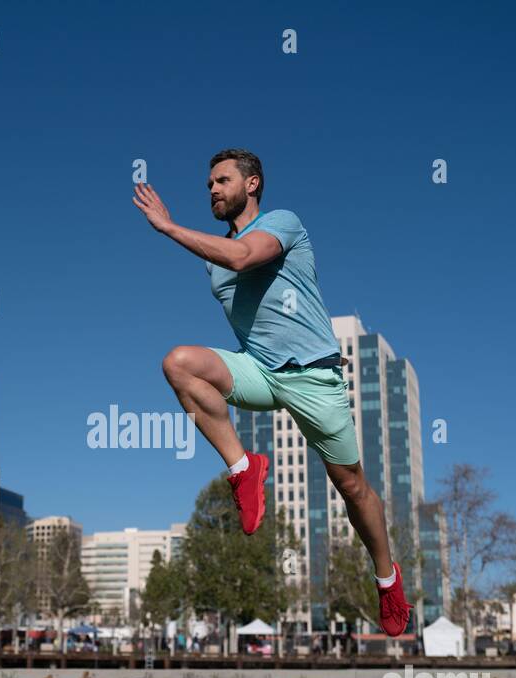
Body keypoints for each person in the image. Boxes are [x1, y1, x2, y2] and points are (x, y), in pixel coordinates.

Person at [134, 148, 410, 637]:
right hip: (260, 372)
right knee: (178, 363)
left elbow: (243, 256)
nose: (212, 190)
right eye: (209, 184)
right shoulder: (210, 263)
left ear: (252, 183)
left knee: (351, 486)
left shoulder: (284, 222)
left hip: (312, 377)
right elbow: (253, 318)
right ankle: (245, 468)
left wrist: (169, 228)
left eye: (221, 181)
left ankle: (387, 578)